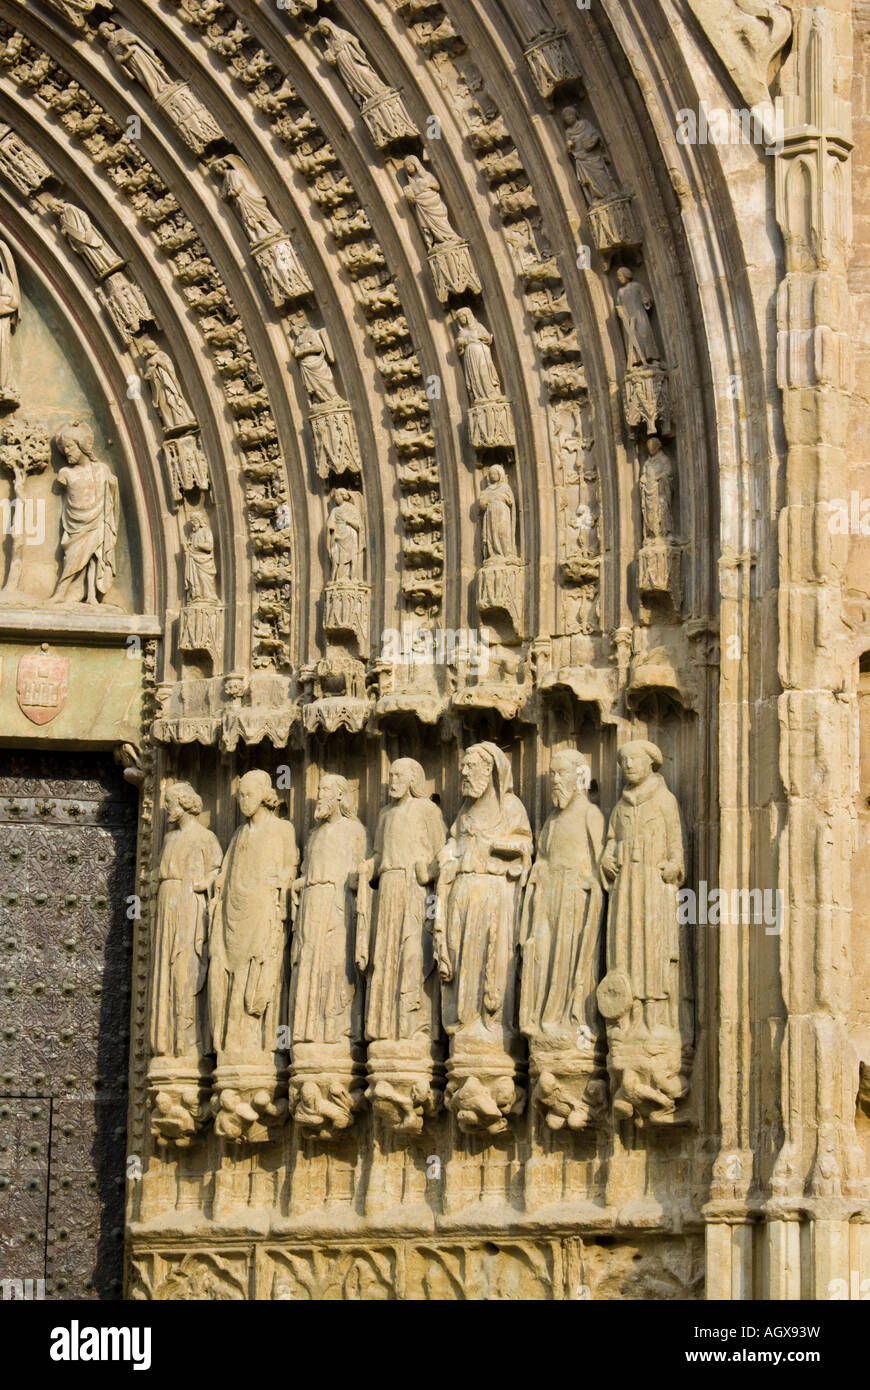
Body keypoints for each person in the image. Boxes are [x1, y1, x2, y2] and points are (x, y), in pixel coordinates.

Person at [50, 421, 119, 605]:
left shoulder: (102, 470)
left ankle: (90, 596)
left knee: (95, 558)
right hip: (76, 525)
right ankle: (61, 592)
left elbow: (110, 496)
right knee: (71, 558)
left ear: (81, 445)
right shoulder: (65, 473)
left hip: (98, 518)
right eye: (64, 449)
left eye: (70, 447)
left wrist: (112, 486)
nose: (67, 452)